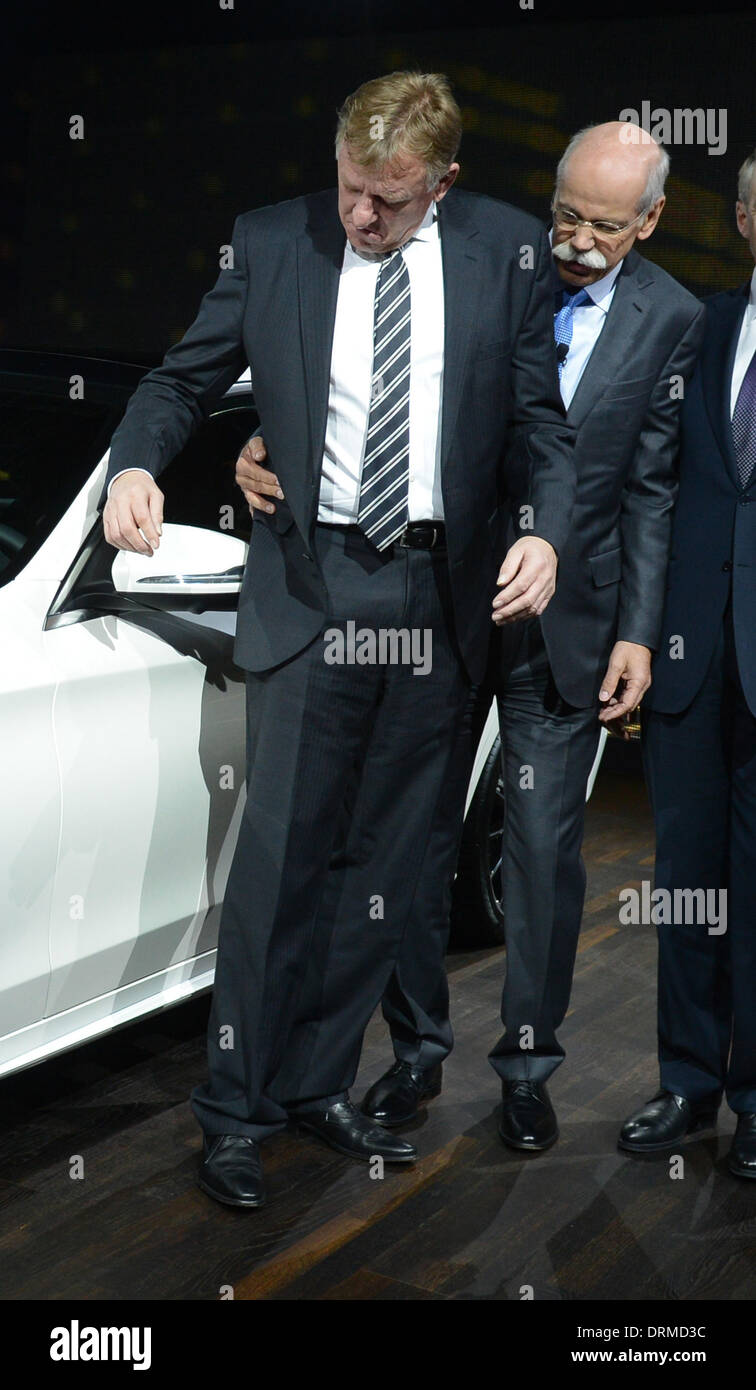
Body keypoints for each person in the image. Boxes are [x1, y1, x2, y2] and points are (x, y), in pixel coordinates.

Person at [100, 70, 575, 1208]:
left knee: (390, 867)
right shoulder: (272, 242)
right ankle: (234, 1109)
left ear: (445, 185)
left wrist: (548, 535)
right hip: (317, 588)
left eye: (392, 200)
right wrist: (134, 462)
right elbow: (182, 378)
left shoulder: (504, 253)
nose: (362, 218)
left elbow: (543, 425)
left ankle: (313, 1083)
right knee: (279, 867)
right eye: (353, 189)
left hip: (439, 594)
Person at [238, 120, 704, 1153]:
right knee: (409, 839)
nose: (579, 240)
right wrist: (258, 446)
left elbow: (650, 490)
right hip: (438, 605)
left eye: (607, 227)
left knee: (540, 849)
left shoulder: (672, 317)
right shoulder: (492, 267)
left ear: (653, 220)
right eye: (567, 215)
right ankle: (412, 1052)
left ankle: (528, 1065)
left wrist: (637, 631)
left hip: (568, 625)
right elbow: (346, 387)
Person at [619, 148, 756, 1179]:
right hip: (689, 656)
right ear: (744, 221)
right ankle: (685, 1083)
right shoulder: (697, 327)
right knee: (687, 890)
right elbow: (643, 475)